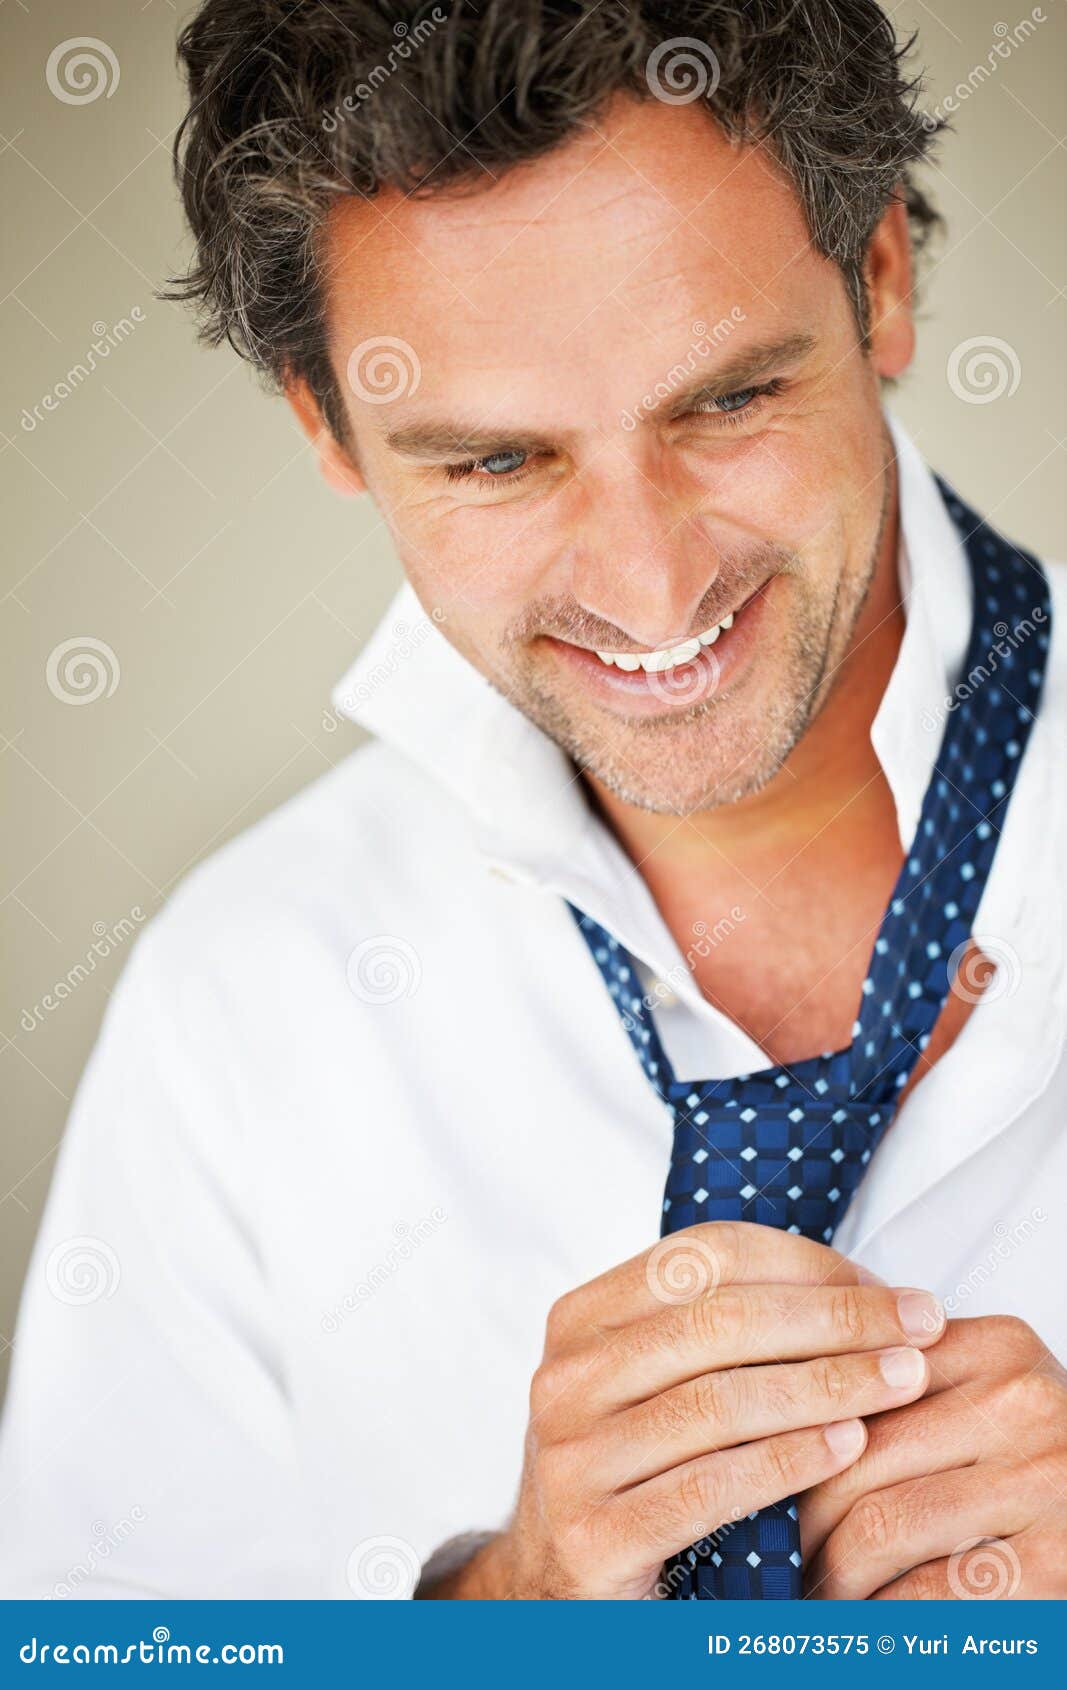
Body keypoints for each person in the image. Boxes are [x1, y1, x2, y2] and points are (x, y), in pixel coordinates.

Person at [1, 0, 1064, 1602]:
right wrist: (505, 1627)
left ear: (885, 281)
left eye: (726, 399)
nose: (651, 589)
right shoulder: (238, 1000)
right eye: (495, 462)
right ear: (327, 424)